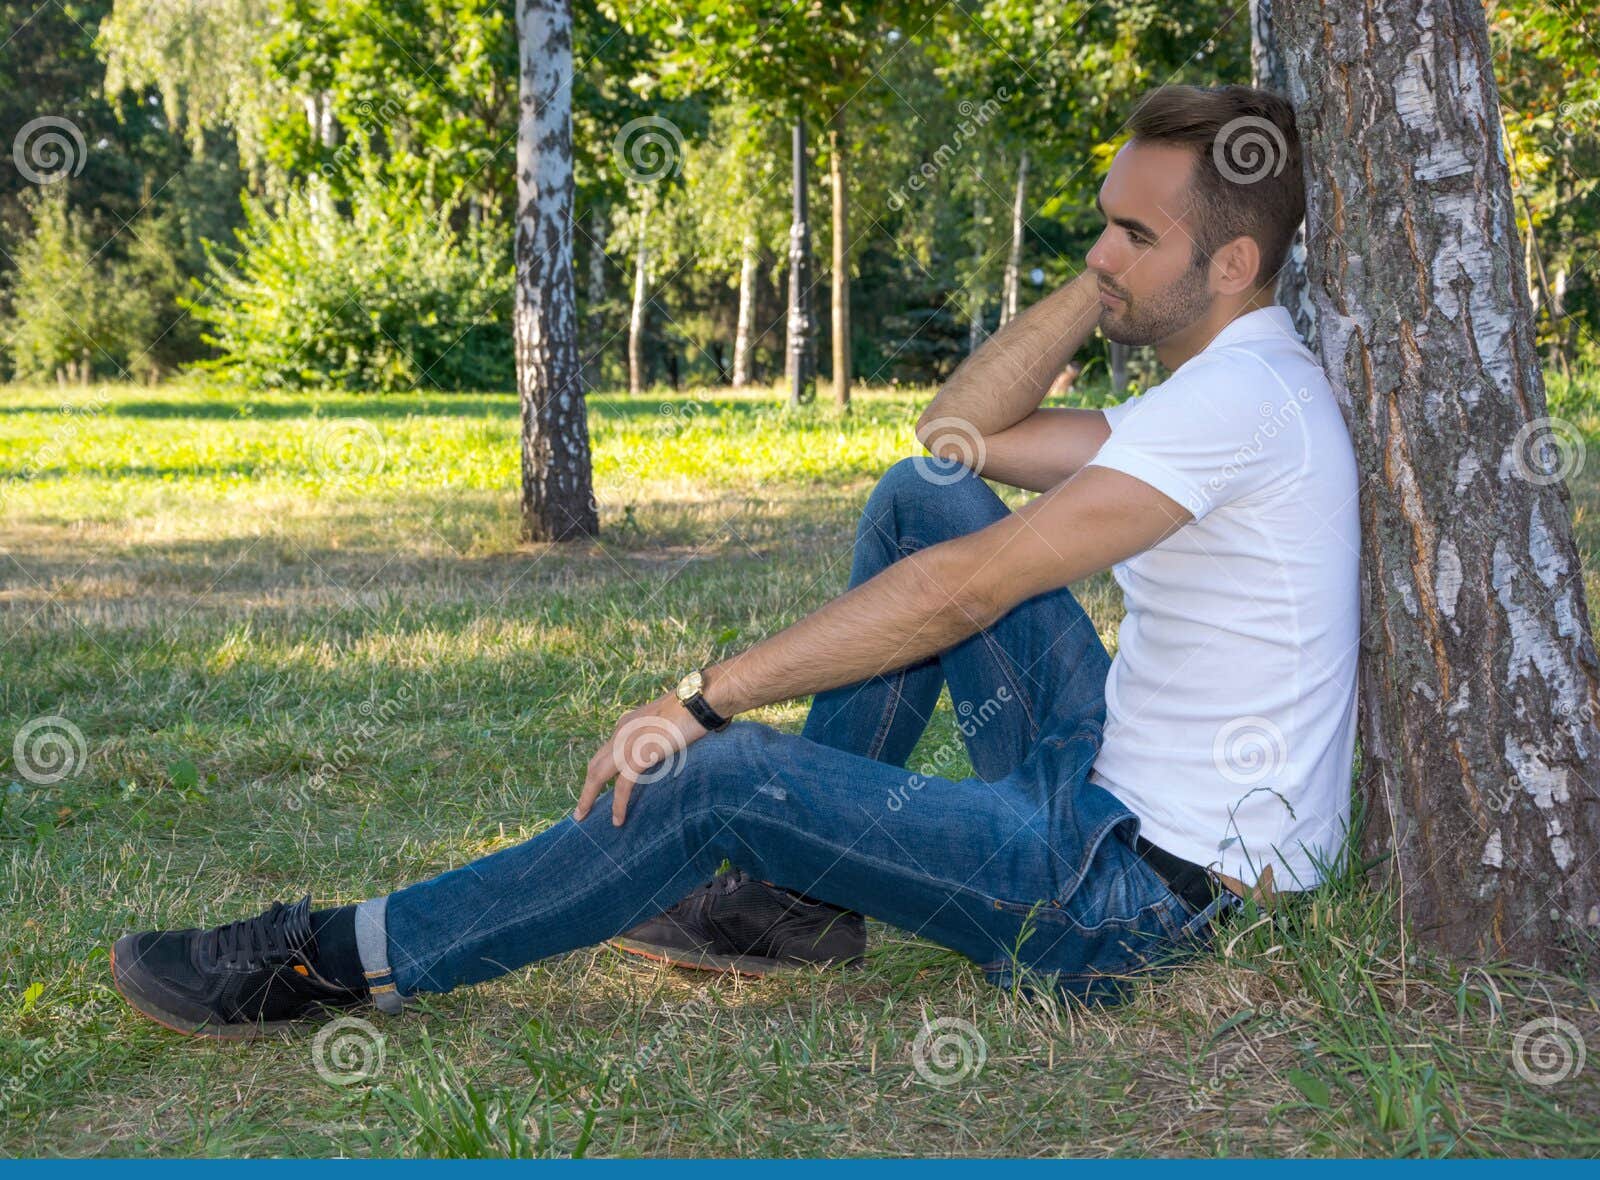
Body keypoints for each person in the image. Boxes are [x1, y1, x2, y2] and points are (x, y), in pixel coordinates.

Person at [109, 83, 1360, 1039]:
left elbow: (967, 592)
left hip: (1129, 902)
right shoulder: (1223, 383)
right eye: (1102, 228)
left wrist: (701, 702)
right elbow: (959, 437)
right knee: (924, 496)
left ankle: (334, 959)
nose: (1101, 254)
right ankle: (792, 905)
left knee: (714, 778)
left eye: (1133, 236)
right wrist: (1104, 283)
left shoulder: (1233, 405)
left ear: (1232, 263)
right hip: (1104, 786)